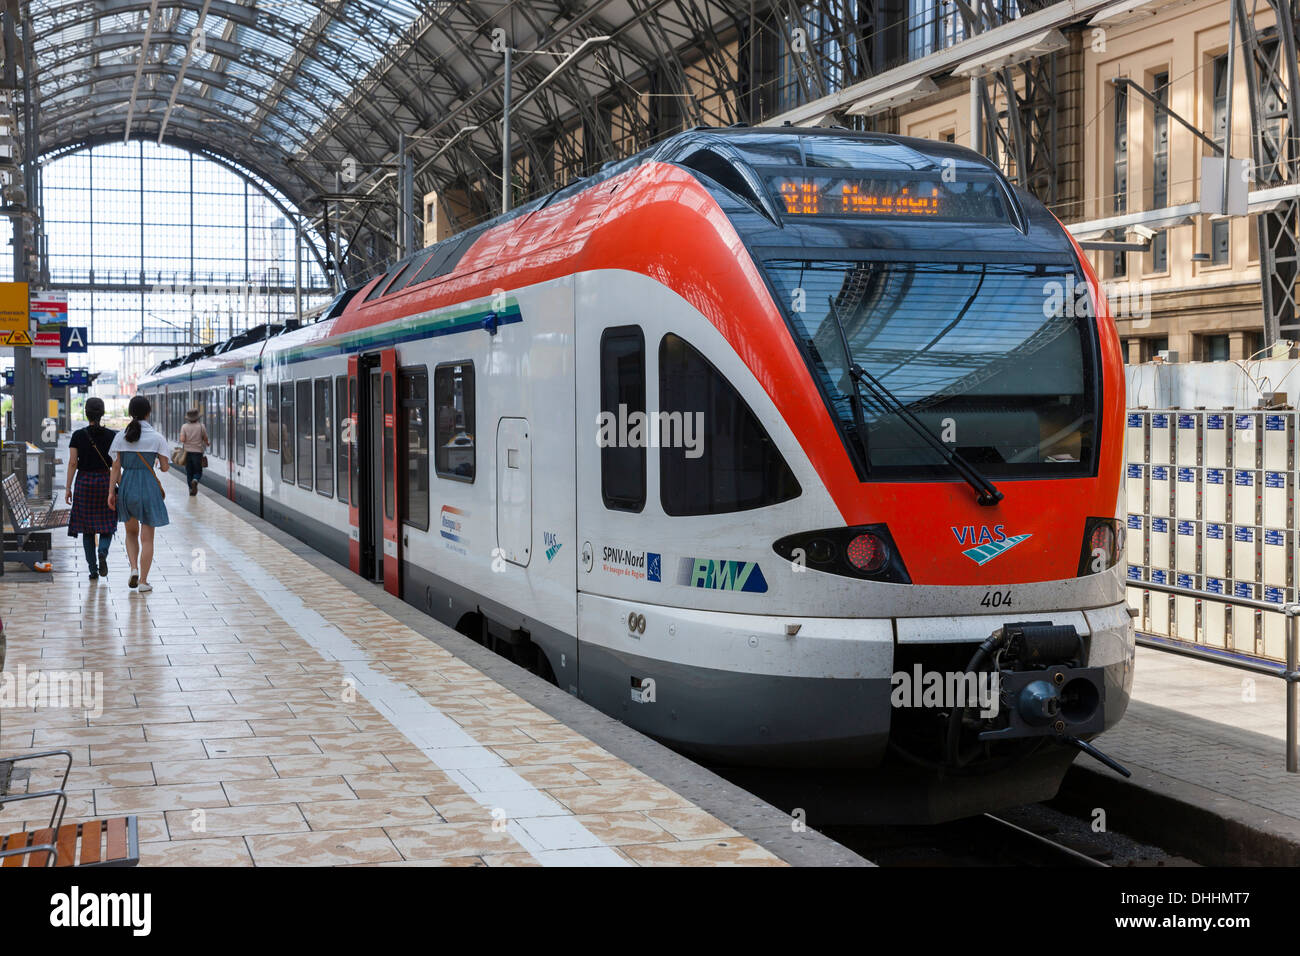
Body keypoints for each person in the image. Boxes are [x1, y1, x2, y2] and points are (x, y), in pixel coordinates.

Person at [107, 395, 171, 593]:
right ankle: (143, 581)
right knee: (147, 538)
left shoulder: (120, 437)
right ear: (148, 412)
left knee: (131, 533)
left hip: (127, 486)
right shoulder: (157, 437)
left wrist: (111, 493)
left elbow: (115, 467)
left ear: (130, 413)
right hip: (149, 487)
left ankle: (133, 568)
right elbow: (166, 467)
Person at [65, 397, 119, 580]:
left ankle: (93, 570)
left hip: (84, 484)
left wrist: (67, 488)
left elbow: (73, 463)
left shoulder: (78, 436)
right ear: (102, 413)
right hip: (105, 482)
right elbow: (115, 464)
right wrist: (118, 486)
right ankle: (103, 551)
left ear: (86, 413)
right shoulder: (112, 436)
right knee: (107, 525)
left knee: (87, 530)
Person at [179, 408, 210, 496]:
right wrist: (207, 443)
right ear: (198, 418)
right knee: (198, 471)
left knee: (189, 471)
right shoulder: (201, 426)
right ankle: (195, 480)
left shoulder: (184, 427)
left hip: (187, 453)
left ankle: (190, 489)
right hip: (198, 452)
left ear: (188, 418)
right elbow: (205, 438)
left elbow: (182, 439)